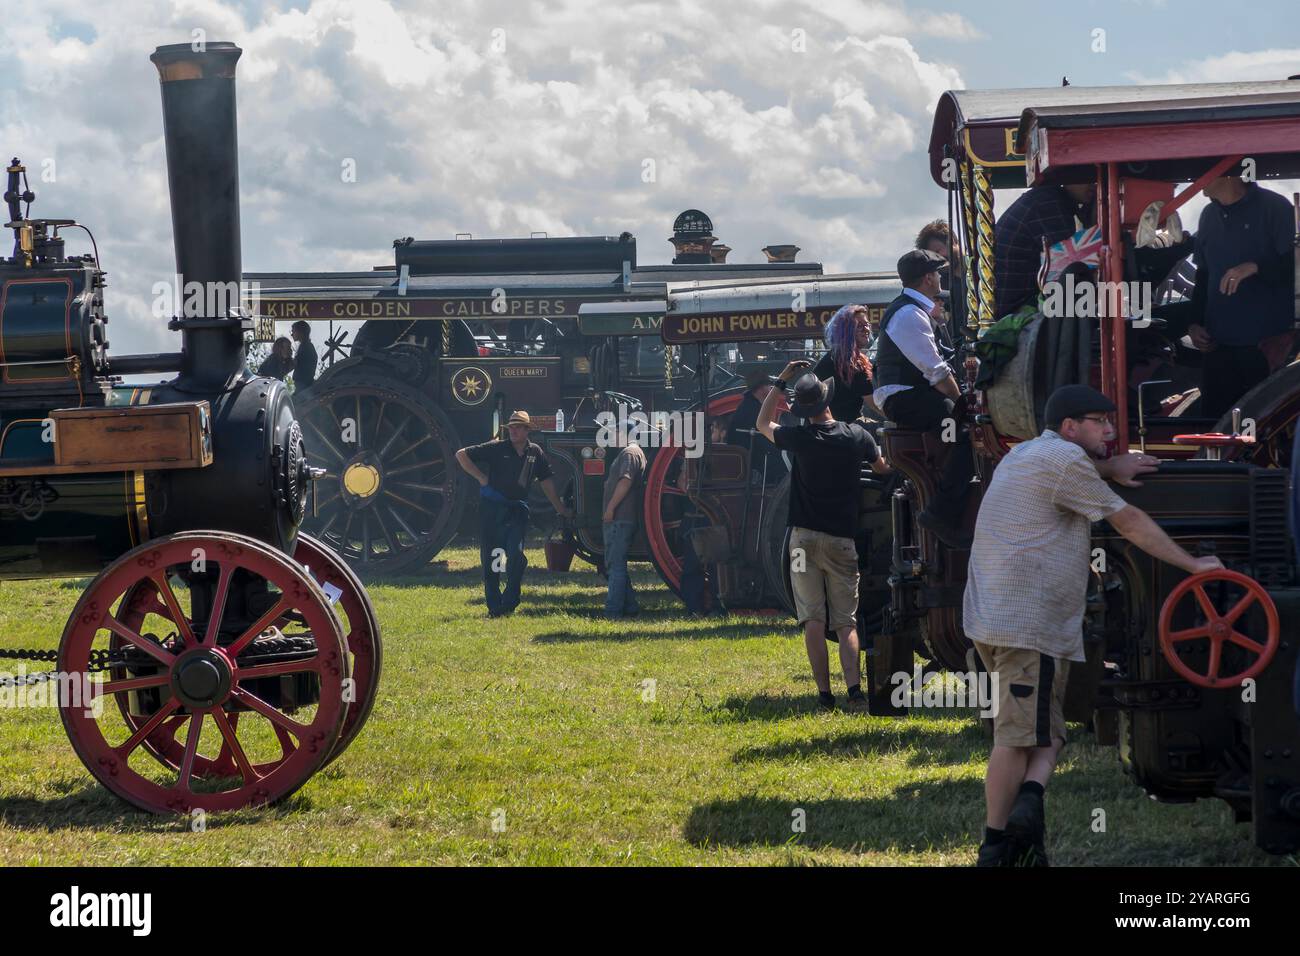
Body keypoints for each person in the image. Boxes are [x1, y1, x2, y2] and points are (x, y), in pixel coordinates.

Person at [965, 384, 1224, 867]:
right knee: (1016, 737)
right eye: (1099, 421)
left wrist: (1108, 466)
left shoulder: (1027, 455)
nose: (1110, 430)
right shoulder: (1066, 461)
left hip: (996, 618)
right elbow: (1128, 522)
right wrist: (1192, 565)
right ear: (1070, 428)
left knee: (1048, 732)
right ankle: (996, 846)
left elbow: (1075, 476)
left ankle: (1027, 829)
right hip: (1028, 624)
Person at [756, 361, 891, 712]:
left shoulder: (799, 438)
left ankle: (823, 696)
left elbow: (762, 423)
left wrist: (781, 380)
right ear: (828, 402)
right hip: (841, 541)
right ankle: (855, 693)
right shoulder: (856, 437)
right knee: (846, 621)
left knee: (813, 621)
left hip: (801, 542)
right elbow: (882, 469)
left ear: (803, 411)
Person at [873, 249, 974, 548]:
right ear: (929, 278)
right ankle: (941, 512)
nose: (940, 279)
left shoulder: (915, 310)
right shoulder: (908, 314)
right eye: (938, 274)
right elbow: (937, 373)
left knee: (960, 425)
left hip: (912, 394)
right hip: (904, 397)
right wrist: (962, 404)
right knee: (966, 433)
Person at [1187, 174, 1297, 419]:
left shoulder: (1276, 208)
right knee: (1215, 424)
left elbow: (1294, 265)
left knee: (1266, 425)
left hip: (1267, 348)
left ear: (1228, 176)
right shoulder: (1207, 216)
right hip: (1218, 345)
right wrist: (1194, 324)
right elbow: (1203, 277)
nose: (1195, 181)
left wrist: (1255, 266)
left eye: (1201, 173)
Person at [455, 411, 574, 617]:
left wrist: (560, 509)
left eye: (518, 427)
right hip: (492, 510)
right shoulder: (497, 448)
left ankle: (509, 602)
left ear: (527, 430)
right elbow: (461, 454)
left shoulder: (535, 453)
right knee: (494, 559)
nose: (513, 430)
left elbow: (546, 481)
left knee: (516, 557)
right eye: (511, 427)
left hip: (517, 511)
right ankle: (494, 605)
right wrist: (481, 478)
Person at [993, 182, 1096, 319]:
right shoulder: (1048, 203)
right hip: (1015, 310)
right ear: (1067, 177)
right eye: (1084, 176)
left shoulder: (1045, 197)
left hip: (1010, 302)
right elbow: (1071, 267)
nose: (1092, 184)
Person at [601, 425, 646, 619]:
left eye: (614, 433)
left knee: (616, 566)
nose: (612, 437)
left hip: (621, 517)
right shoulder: (636, 453)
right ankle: (630, 606)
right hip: (624, 517)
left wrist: (610, 508)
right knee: (616, 564)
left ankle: (613, 611)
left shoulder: (629, 453)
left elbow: (625, 481)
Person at [814, 304, 875, 422]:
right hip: (837, 431)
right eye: (859, 326)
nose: (866, 329)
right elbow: (874, 403)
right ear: (847, 331)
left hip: (831, 427)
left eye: (867, 325)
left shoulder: (839, 355)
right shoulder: (849, 361)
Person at [726, 372, 781, 480]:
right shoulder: (750, 408)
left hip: (753, 451)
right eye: (768, 385)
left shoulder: (753, 404)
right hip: (750, 458)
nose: (771, 387)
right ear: (760, 388)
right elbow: (761, 435)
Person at [291, 321, 318, 391]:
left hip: (303, 385)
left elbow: (296, 363)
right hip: (304, 384)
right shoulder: (307, 346)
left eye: (293, 331)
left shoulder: (305, 347)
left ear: (301, 332)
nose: (292, 334)